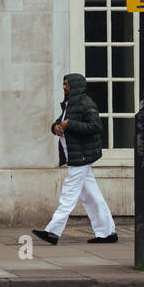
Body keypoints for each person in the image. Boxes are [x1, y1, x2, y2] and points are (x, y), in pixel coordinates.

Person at [32, 73, 117, 245]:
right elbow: (60, 122)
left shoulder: (85, 102)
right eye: (64, 83)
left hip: (82, 156)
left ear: (75, 85)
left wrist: (69, 125)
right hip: (75, 155)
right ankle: (107, 232)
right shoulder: (70, 104)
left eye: (67, 84)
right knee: (91, 196)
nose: (64, 87)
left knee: (69, 194)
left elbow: (95, 126)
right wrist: (55, 127)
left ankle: (52, 232)